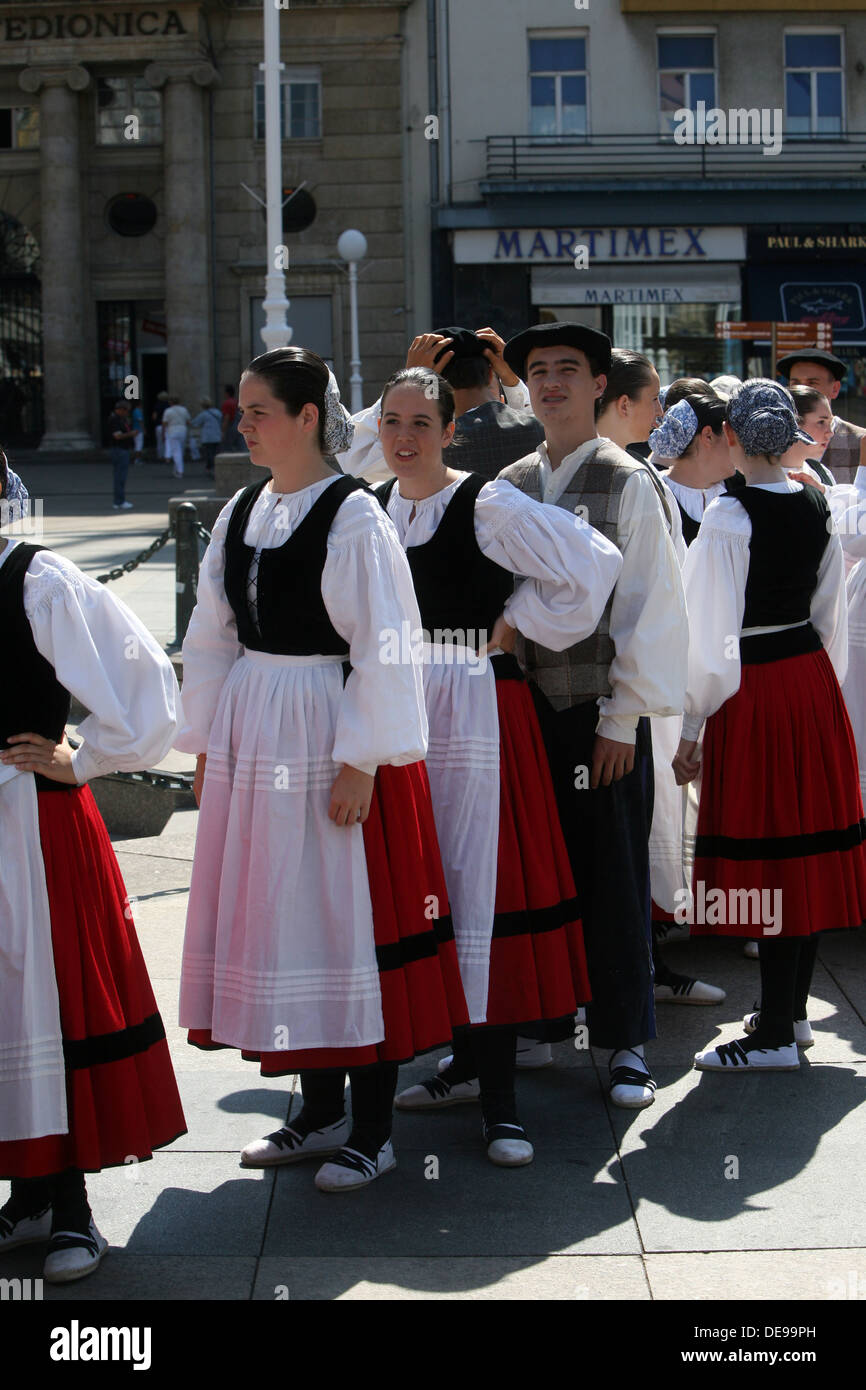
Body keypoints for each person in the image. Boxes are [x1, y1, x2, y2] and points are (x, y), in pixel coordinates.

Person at [177, 347, 468, 1192]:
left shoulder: (352, 517)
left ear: (308, 418)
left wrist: (364, 763)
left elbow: (385, 641)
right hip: (256, 729)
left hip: (330, 730)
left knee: (348, 920)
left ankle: (371, 1129)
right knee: (287, 915)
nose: (244, 421)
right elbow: (210, 636)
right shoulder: (241, 510)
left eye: (259, 408)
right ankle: (314, 1108)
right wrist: (205, 745)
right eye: (243, 408)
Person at [375, 366, 622, 1162]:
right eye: (392, 422)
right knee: (425, 887)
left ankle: (503, 1099)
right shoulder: (373, 510)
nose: (404, 437)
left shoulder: (484, 501)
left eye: (421, 422)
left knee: (484, 887)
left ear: (451, 430)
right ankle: (462, 1060)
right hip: (403, 701)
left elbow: (593, 562)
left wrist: (516, 618)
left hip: (477, 702)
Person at [0, 463, 185, 1281]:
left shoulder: (36, 578)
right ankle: (28, 1195)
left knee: (49, 998)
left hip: (24, 819)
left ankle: (69, 1204)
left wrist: (86, 760)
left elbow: (144, 686)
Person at [499, 322, 689, 1109]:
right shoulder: (510, 479)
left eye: (567, 370)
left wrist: (622, 719)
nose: (550, 383)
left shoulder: (625, 479)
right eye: (538, 371)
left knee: (612, 877)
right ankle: (545, 1023)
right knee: (539, 874)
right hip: (523, 712)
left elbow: (653, 607)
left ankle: (624, 1044)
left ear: (599, 386)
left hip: (599, 715)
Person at [673, 380, 866, 1071]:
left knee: (773, 850)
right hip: (808, 680)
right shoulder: (815, 499)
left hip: (754, 688)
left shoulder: (728, 517)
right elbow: (829, 613)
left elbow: (708, 634)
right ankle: (790, 1015)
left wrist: (692, 725)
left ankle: (779, 1033)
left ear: (729, 437)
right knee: (804, 848)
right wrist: (819, 687)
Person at [422, 326, 544, 480]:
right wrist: (511, 378)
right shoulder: (540, 430)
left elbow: (384, 463)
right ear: (491, 373)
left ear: (433, 385)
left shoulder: (435, 443)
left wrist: (410, 380)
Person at [777, 349, 866, 486]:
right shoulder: (773, 442)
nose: (802, 389)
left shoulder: (860, 441)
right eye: (795, 383)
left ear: (835, 389)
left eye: (812, 383)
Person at [594, 349, 662, 463]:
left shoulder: (562, 461)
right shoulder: (633, 475)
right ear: (625, 405)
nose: (660, 411)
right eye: (654, 399)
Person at [107, 399, 135, 510]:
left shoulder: (121, 419)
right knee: (119, 477)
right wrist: (130, 434)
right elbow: (117, 436)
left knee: (120, 477)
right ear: (121, 410)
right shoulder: (115, 420)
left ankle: (119, 500)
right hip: (119, 450)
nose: (127, 413)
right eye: (126, 411)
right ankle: (119, 501)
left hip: (122, 449)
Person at [190, 397, 223, 474]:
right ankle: (215, 467)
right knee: (216, 453)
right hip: (217, 435)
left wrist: (188, 422)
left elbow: (195, 423)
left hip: (208, 437)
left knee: (209, 453)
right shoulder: (217, 412)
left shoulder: (203, 414)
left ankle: (211, 468)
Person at [162, 396, 191, 479]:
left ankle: (179, 470)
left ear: (171, 402)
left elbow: (164, 423)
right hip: (183, 430)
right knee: (180, 450)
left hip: (172, 430)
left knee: (176, 451)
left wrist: (163, 434)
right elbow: (188, 421)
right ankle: (176, 469)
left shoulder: (168, 411)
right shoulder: (184, 410)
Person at [152, 390, 170, 462]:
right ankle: (167, 456)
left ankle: (160, 456)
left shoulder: (157, 405)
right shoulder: (169, 406)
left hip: (159, 425)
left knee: (160, 442)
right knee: (167, 442)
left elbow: (154, 416)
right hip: (168, 426)